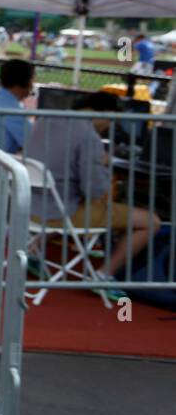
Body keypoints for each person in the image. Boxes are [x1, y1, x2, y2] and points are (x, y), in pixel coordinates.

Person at [23, 91, 162, 277]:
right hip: (58, 213)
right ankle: (103, 275)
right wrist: (103, 165)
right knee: (150, 221)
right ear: (106, 114)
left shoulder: (43, 121)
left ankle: (33, 249)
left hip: (27, 207)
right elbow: (94, 191)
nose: (110, 127)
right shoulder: (88, 137)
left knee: (68, 199)